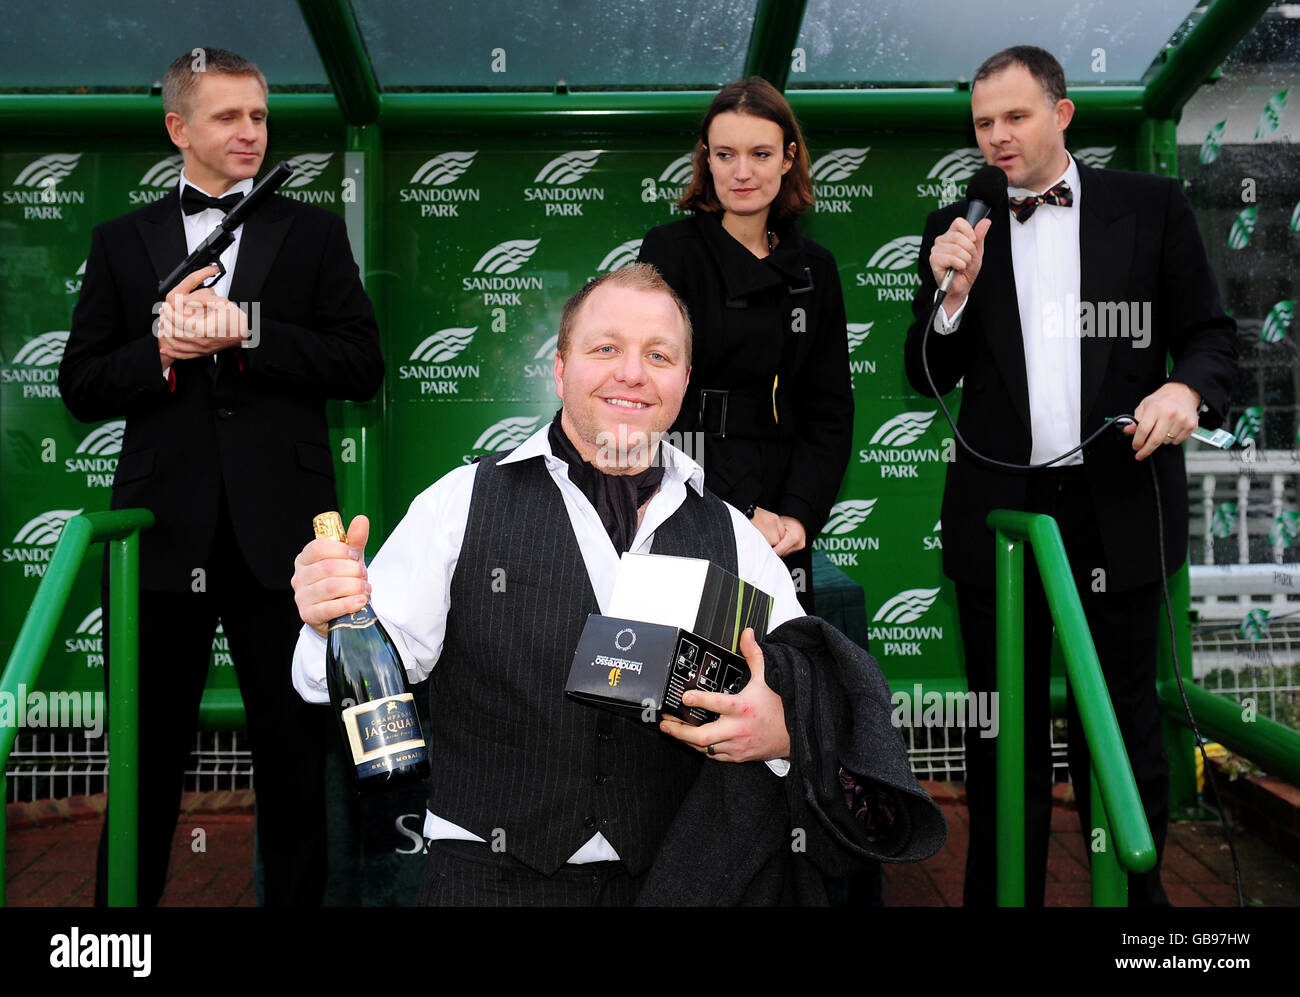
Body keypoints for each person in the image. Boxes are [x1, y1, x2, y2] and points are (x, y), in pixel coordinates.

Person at [291, 264, 943, 905]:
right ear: (560, 366)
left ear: (685, 381)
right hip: (485, 882)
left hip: (673, 883)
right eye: (605, 348)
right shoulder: (457, 505)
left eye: (659, 355)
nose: (632, 372)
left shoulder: (735, 538)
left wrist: (781, 732)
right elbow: (353, 676)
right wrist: (328, 619)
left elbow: (808, 691)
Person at [904, 46, 1237, 905]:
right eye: (983, 123)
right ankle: (998, 895)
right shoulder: (960, 223)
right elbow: (923, 369)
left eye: (1016, 116)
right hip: (1002, 522)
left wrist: (1185, 385)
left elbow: (1211, 334)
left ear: (1063, 113)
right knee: (1001, 731)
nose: (999, 137)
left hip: (1117, 510)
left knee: (1121, 725)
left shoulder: (1151, 205)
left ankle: (1141, 910)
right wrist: (951, 296)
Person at [59, 47, 383, 906]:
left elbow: (362, 364)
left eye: (260, 116)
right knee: (146, 758)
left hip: (285, 543)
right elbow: (81, 383)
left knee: (292, 757)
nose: (250, 133)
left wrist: (249, 328)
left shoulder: (311, 232)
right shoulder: (121, 242)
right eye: (228, 116)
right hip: (160, 537)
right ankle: (109, 942)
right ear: (178, 128)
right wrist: (160, 349)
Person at [638, 77, 853, 615]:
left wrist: (798, 515)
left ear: (788, 159)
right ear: (705, 161)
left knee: (769, 670)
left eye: (760, 154)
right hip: (682, 487)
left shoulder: (815, 268)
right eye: (726, 154)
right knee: (676, 674)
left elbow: (828, 408)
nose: (742, 172)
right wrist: (741, 508)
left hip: (782, 511)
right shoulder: (670, 251)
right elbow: (656, 393)